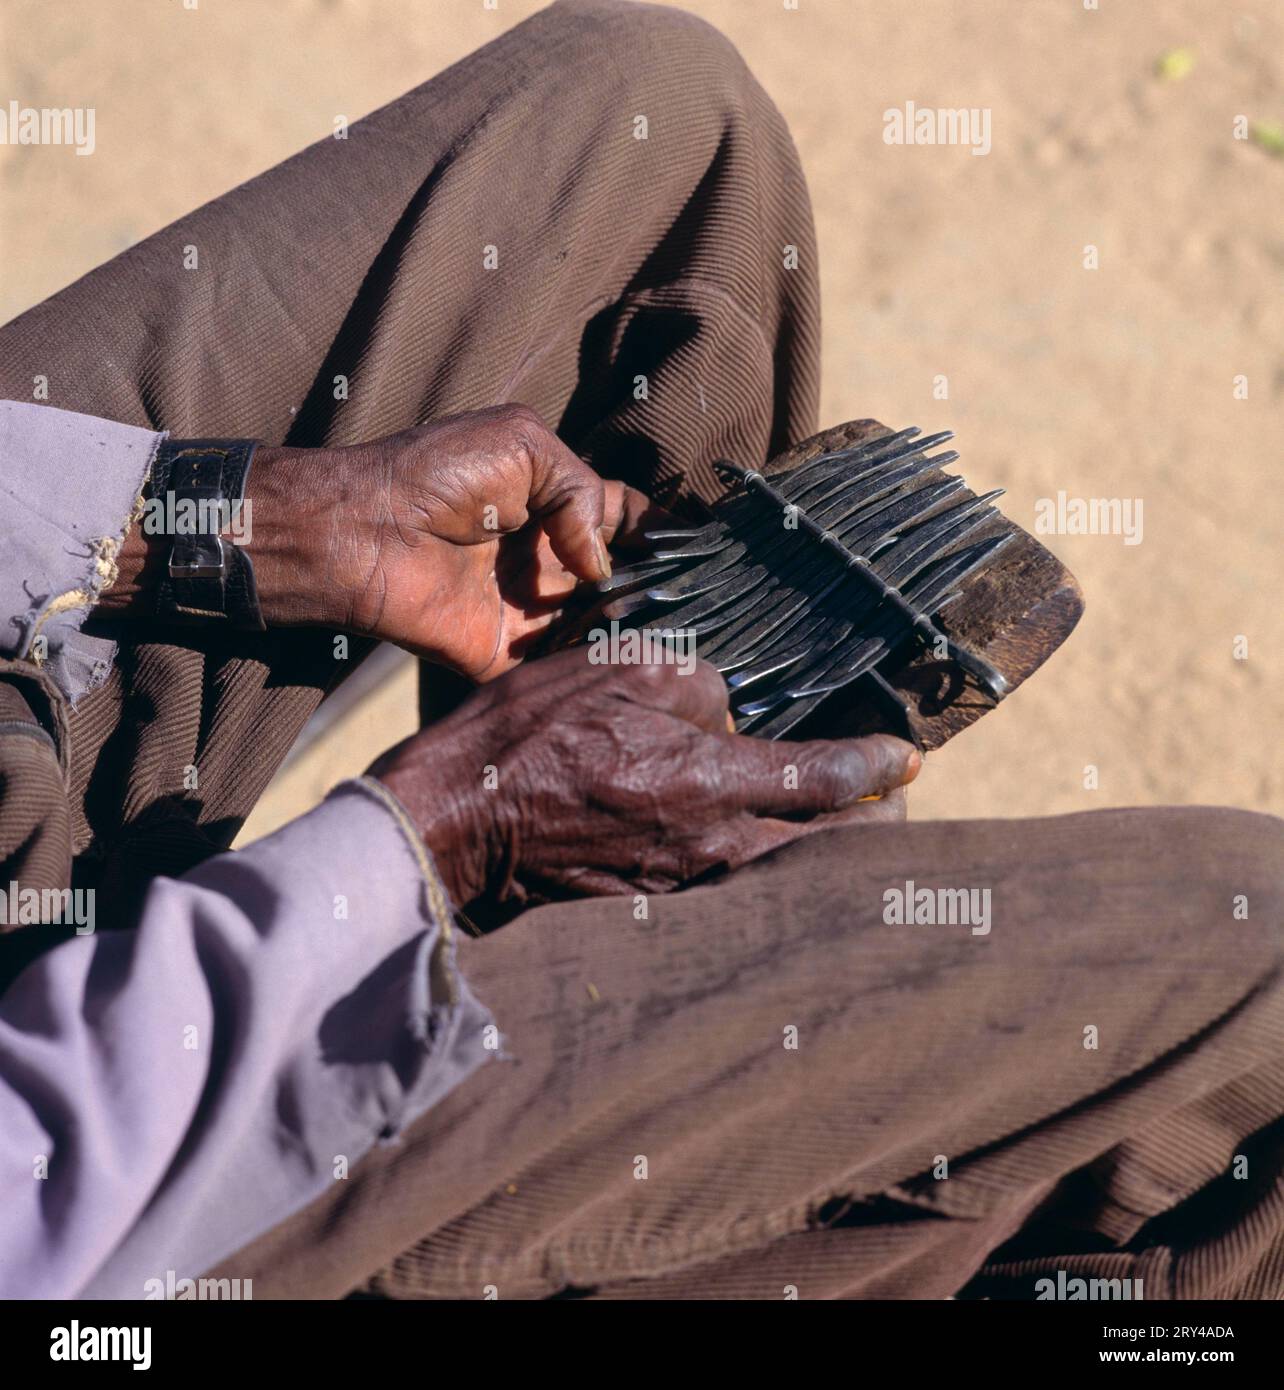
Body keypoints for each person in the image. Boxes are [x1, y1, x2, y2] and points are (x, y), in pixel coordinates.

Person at [2, 0, 1282, 1301]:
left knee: (656, 111)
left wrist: (221, 520)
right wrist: (432, 836)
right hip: (118, 1214)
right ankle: (737, 1092)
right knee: (1257, 956)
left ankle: (688, 916)